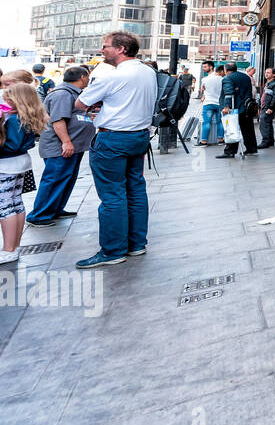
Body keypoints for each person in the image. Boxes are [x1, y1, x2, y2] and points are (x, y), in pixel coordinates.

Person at [73, 30, 158, 268]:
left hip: (113, 139)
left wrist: (101, 104)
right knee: (136, 189)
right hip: (139, 137)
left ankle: (113, 250)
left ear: (120, 49)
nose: (103, 50)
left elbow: (80, 103)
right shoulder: (148, 71)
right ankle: (136, 243)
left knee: (112, 195)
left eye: (106, 46)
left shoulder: (111, 76)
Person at [27, 66, 93, 226]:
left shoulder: (71, 93)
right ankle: (39, 215)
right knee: (54, 179)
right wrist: (66, 142)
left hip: (72, 146)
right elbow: (57, 120)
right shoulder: (63, 94)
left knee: (65, 179)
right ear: (83, 77)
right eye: (88, 77)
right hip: (60, 147)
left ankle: (55, 208)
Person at [0, 82, 48, 263]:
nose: (5, 98)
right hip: (20, 163)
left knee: (5, 207)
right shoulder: (25, 116)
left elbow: (10, 145)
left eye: (9, 96)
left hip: (6, 165)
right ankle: (13, 246)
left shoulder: (12, 119)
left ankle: (8, 249)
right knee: (15, 204)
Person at [218, 65, 257, 159]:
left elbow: (228, 94)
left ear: (226, 70)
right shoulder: (246, 77)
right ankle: (251, 149)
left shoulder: (227, 78)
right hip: (247, 107)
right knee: (248, 129)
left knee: (232, 129)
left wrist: (227, 107)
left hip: (235, 108)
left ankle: (230, 152)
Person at [198, 62, 224, 145]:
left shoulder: (205, 79)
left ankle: (204, 141)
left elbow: (202, 90)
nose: (203, 68)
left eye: (205, 67)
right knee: (219, 122)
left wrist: (204, 95)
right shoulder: (223, 79)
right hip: (219, 104)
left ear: (211, 67)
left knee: (207, 122)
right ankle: (220, 140)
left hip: (208, 103)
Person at [258, 67, 275, 148]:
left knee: (264, 124)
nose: (266, 74)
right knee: (267, 123)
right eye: (266, 72)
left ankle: (265, 142)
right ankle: (270, 141)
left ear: (274, 74)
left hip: (269, 108)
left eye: (268, 72)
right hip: (264, 107)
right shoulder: (268, 83)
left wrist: (271, 108)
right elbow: (264, 96)